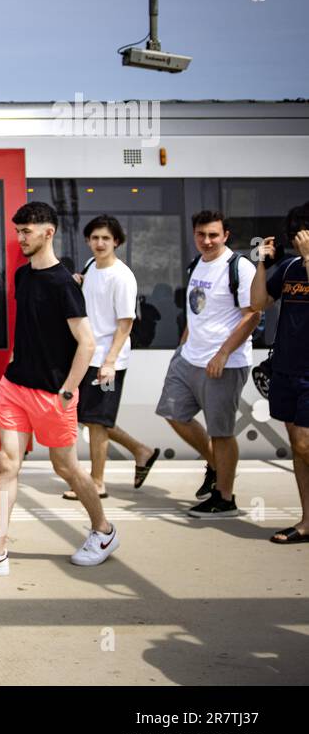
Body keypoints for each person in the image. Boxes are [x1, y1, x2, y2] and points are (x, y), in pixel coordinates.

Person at [0, 201, 118, 577]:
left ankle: (104, 531)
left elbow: (87, 343)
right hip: (15, 388)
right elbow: (23, 333)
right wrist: (5, 377)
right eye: (18, 231)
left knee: (67, 468)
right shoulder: (23, 276)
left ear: (48, 232)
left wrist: (68, 391)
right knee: (6, 463)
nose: (20, 238)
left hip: (52, 394)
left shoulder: (64, 284)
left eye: (26, 231)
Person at [155, 210, 259, 518]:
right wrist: (184, 343)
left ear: (226, 235)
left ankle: (225, 498)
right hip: (189, 357)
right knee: (172, 412)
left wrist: (223, 354)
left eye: (213, 234)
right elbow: (196, 310)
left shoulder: (238, 267)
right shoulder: (196, 263)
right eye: (201, 234)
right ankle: (215, 465)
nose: (207, 240)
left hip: (223, 363)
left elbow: (252, 314)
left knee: (221, 432)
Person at [67, 215, 160, 500]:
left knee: (96, 420)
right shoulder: (90, 268)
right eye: (95, 238)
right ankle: (141, 451)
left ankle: (97, 483)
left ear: (116, 241)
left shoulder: (122, 276)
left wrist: (109, 363)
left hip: (109, 361)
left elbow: (125, 323)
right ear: (87, 241)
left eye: (106, 238)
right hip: (88, 356)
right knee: (93, 417)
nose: (100, 243)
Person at [251, 202, 309, 543]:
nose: (298, 238)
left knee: (304, 441)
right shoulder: (288, 269)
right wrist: (262, 262)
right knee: (297, 445)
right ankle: (306, 521)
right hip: (286, 369)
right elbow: (258, 303)